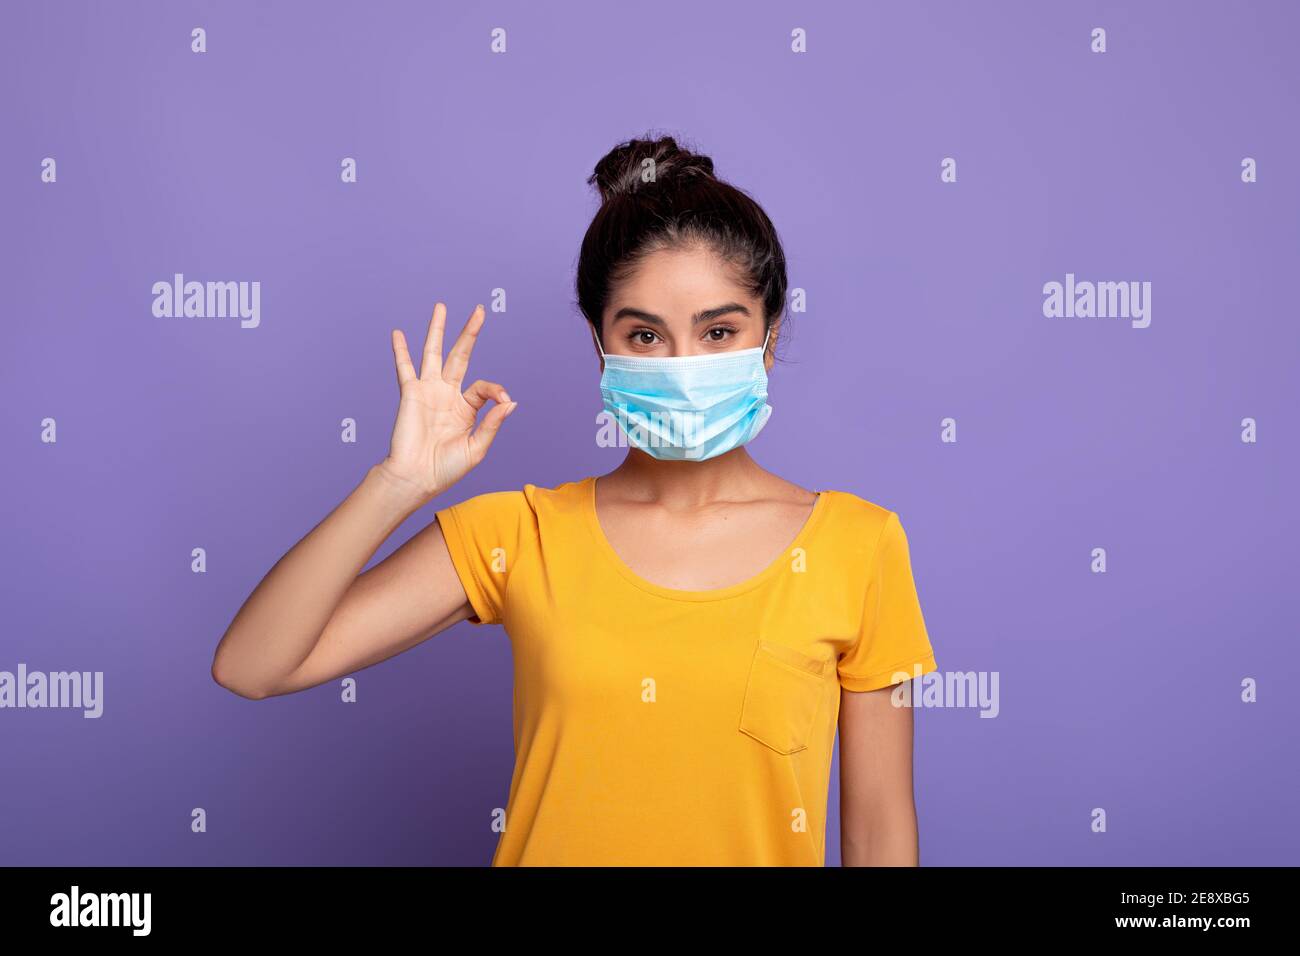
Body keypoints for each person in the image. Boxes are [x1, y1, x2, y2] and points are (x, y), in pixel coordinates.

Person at [211, 134, 938, 866]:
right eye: (646, 334)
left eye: (719, 331)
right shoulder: (517, 535)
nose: (684, 367)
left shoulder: (858, 545)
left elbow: (878, 832)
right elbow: (252, 666)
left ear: (769, 336)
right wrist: (394, 485)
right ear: (601, 344)